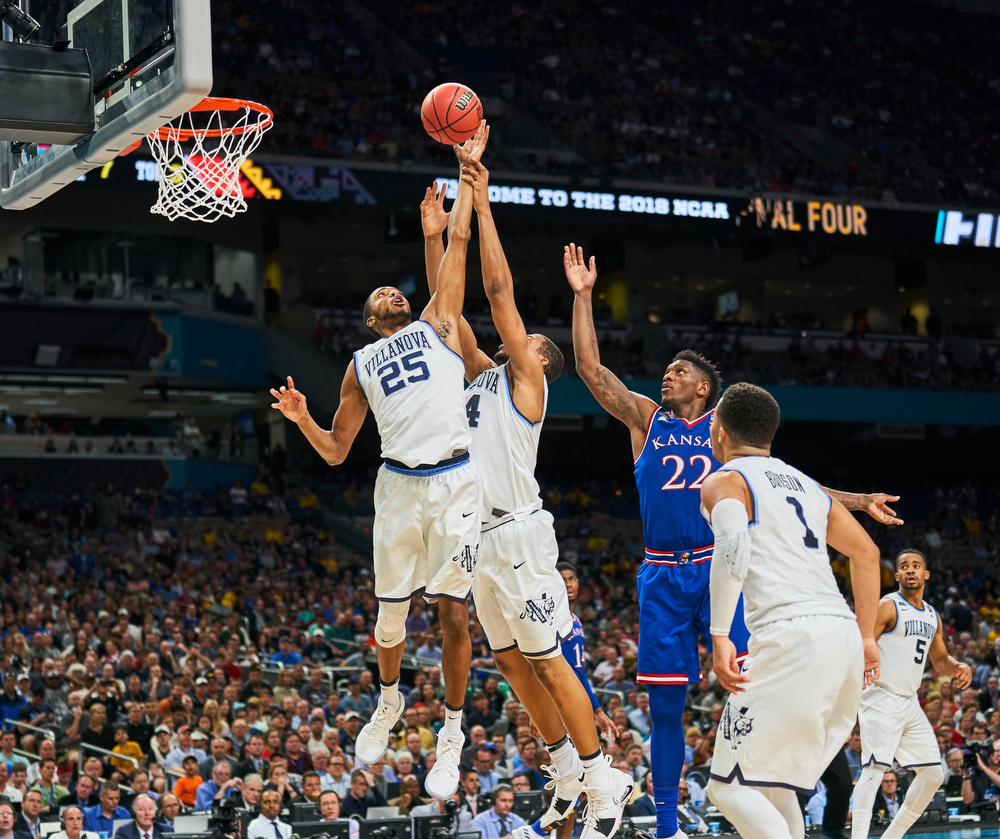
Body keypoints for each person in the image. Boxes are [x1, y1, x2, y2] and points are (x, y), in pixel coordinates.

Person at [564, 247, 899, 839]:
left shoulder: (728, 434)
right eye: (667, 370)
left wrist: (854, 500)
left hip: (724, 571)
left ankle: (797, 802)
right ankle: (668, 826)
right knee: (665, 710)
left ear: (705, 389)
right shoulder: (647, 420)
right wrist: (584, 296)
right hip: (663, 574)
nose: (667, 375)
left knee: (758, 691)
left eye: (679, 371)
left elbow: (785, 483)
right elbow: (591, 370)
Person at [269, 121, 491, 802]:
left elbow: (458, 247)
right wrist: (303, 418)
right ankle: (389, 700)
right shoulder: (359, 364)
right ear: (369, 320)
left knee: (453, 613)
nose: (389, 294)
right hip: (397, 485)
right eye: (378, 297)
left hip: (455, 479)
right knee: (390, 620)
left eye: (396, 291)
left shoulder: (439, 324)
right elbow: (337, 451)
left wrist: (462, 184)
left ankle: (451, 734)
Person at [424, 159, 631, 839]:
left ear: (542, 362)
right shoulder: (482, 377)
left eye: (531, 342)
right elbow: (447, 314)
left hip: (518, 534)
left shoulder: (527, 387)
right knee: (511, 662)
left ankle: (603, 780)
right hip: (477, 541)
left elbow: (496, 290)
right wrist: (436, 237)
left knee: (547, 659)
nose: (518, 339)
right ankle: (566, 769)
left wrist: (481, 206)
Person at [699, 382, 882, 839]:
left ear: (720, 431)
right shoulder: (806, 484)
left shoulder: (725, 480)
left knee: (727, 787)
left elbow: (733, 547)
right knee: (772, 785)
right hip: (842, 636)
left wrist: (720, 636)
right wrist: (867, 637)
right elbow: (867, 553)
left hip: (792, 636)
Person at [851, 548, 972, 839]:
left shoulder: (932, 615)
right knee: (874, 769)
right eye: (904, 566)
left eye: (916, 565)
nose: (910, 570)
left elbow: (940, 660)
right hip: (881, 696)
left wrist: (958, 666)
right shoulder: (888, 605)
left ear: (926, 574)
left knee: (933, 775)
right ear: (897, 575)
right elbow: (860, 641)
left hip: (909, 702)